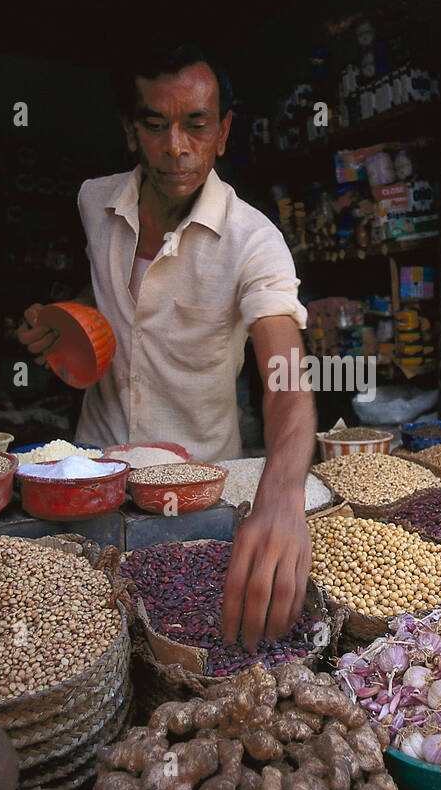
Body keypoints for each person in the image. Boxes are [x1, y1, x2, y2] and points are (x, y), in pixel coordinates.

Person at [18, 39, 317, 648]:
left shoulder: (254, 242)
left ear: (223, 132)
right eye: (155, 124)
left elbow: (286, 377)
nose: (175, 147)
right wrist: (61, 322)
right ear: (131, 130)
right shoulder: (94, 202)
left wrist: (283, 492)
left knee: (184, 631)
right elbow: (113, 293)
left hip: (200, 488)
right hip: (93, 470)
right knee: (81, 635)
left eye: (196, 125)